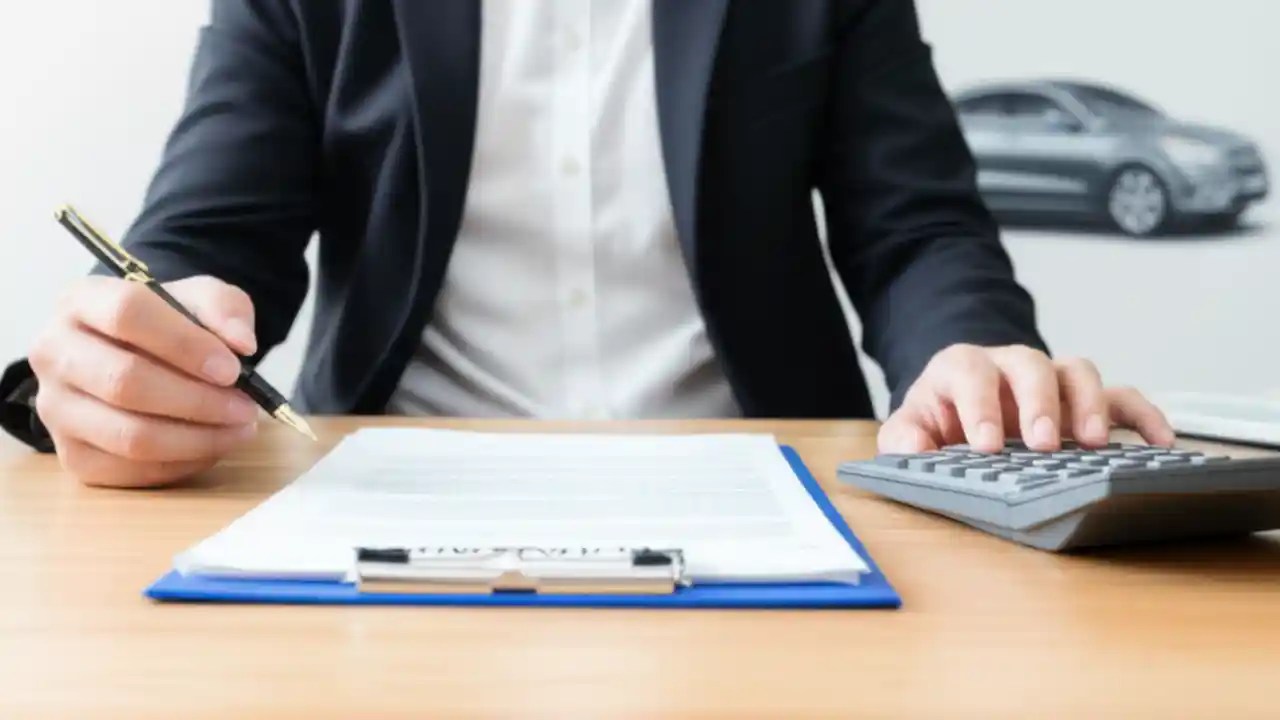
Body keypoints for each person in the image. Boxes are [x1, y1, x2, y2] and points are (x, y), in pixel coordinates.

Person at [0, 0, 1172, 488]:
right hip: (387, 492)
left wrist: (972, 353)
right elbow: (204, 239)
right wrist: (126, 361)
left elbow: (915, 225)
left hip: (771, 488)